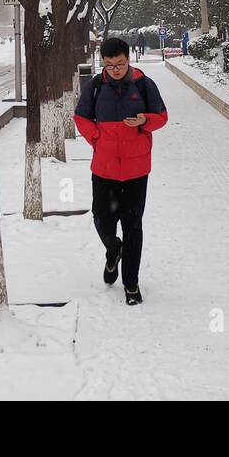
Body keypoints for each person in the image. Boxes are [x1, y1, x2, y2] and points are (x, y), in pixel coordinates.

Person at [73, 36, 168, 305]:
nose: (115, 69)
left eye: (120, 63)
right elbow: (81, 117)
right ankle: (113, 250)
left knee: (133, 226)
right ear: (102, 63)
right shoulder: (94, 87)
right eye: (109, 64)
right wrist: (97, 139)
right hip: (104, 169)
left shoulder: (143, 84)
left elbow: (161, 116)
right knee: (102, 219)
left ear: (128, 60)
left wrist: (144, 120)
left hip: (137, 169)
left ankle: (131, 284)